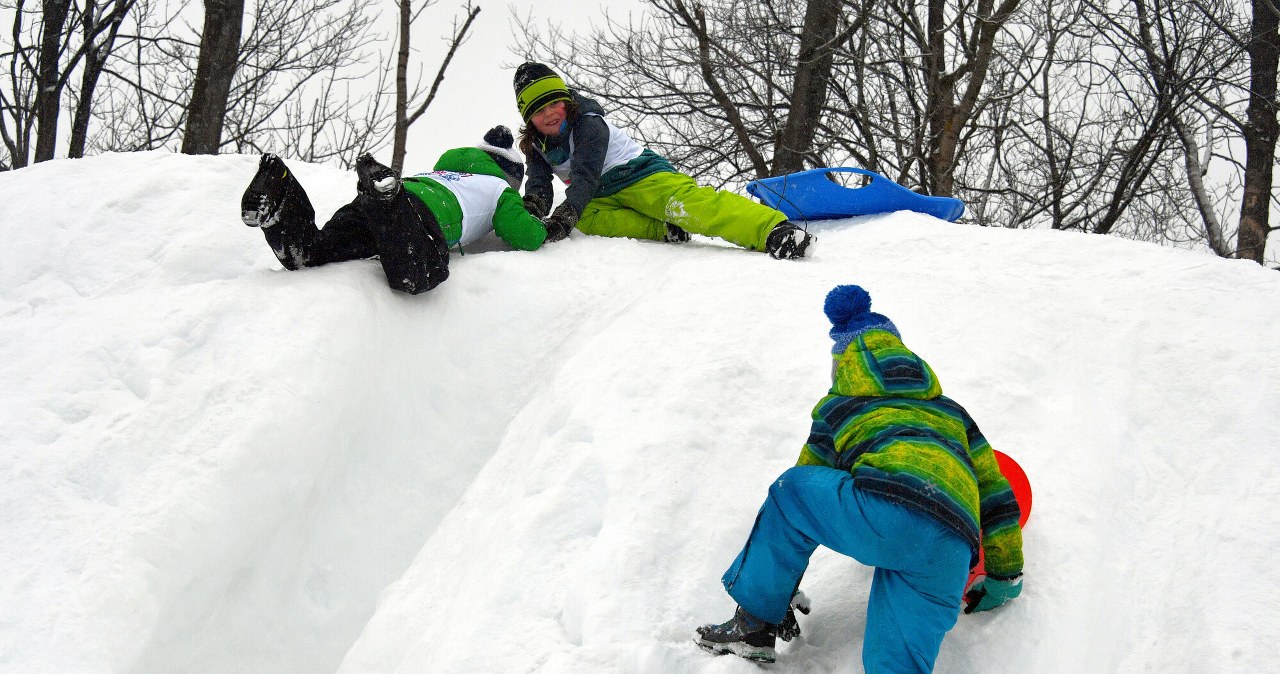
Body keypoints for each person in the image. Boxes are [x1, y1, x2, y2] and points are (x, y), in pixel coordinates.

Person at [694, 284, 1025, 671]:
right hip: (951, 548)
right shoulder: (952, 413)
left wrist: (778, 588)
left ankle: (752, 627)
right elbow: (996, 494)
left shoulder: (840, 406)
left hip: (885, 514)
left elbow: (804, 496)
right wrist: (1004, 575)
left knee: (791, 491)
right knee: (896, 664)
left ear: (844, 364)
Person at [511, 62, 814, 259]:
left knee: (689, 207)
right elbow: (539, 185)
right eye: (540, 111)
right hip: (601, 195)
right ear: (529, 118)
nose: (550, 113)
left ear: (566, 102)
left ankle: (772, 230)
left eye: (554, 103)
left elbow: (585, 175)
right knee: (587, 220)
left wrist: (564, 217)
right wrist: (531, 212)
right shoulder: (536, 145)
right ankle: (665, 230)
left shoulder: (589, 123)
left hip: (640, 176)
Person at [239, 126, 552, 294]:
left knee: (310, 253)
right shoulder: (499, 189)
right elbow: (522, 234)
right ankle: (386, 203)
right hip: (415, 213)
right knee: (419, 275)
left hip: (378, 203)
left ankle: (281, 191)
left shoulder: (440, 173)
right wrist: (542, 226)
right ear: (509, 174)